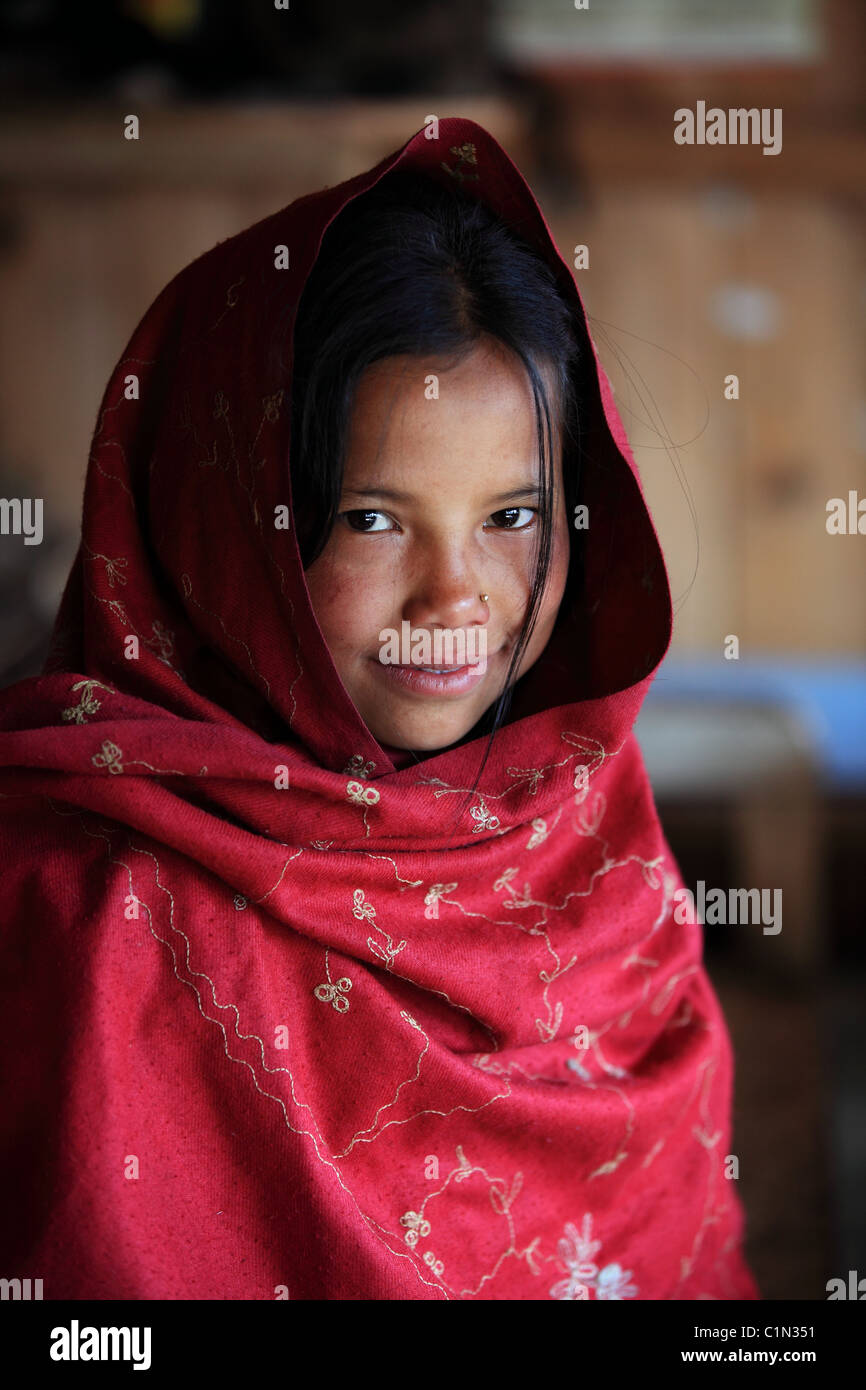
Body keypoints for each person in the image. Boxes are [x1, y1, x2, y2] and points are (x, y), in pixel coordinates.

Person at [0, 116, 760, 1300]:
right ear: (218, 530)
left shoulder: (587, 840)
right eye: (372, 518)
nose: (457, 598)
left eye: (512, 517)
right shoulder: (79, 912)